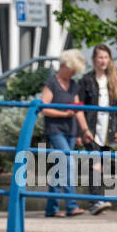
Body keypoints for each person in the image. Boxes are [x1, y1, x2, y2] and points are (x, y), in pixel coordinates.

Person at [76, 43, 117, 216]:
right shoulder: (86, 80)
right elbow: (79, 107)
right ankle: (95, 201)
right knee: (95, 164)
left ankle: (98, 199)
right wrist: (79, 132)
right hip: (91, 128)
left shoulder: (114, 80)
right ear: (94, 60)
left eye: (106, 57)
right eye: (100, 57)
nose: (103, 61)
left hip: (107, 129)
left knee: (102, 165)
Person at [40, 49, 88, 218]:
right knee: (69, 163)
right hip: (56, 130)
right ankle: (71, 205)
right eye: (72, 69)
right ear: (63, 66)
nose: (74, 73)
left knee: (59, 169)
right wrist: (63, 114)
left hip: (70, 130)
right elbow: (43, 108)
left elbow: (78, 110)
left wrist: (84, 130)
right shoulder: (52, 83)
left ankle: (51, 208)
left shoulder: (74, 85)